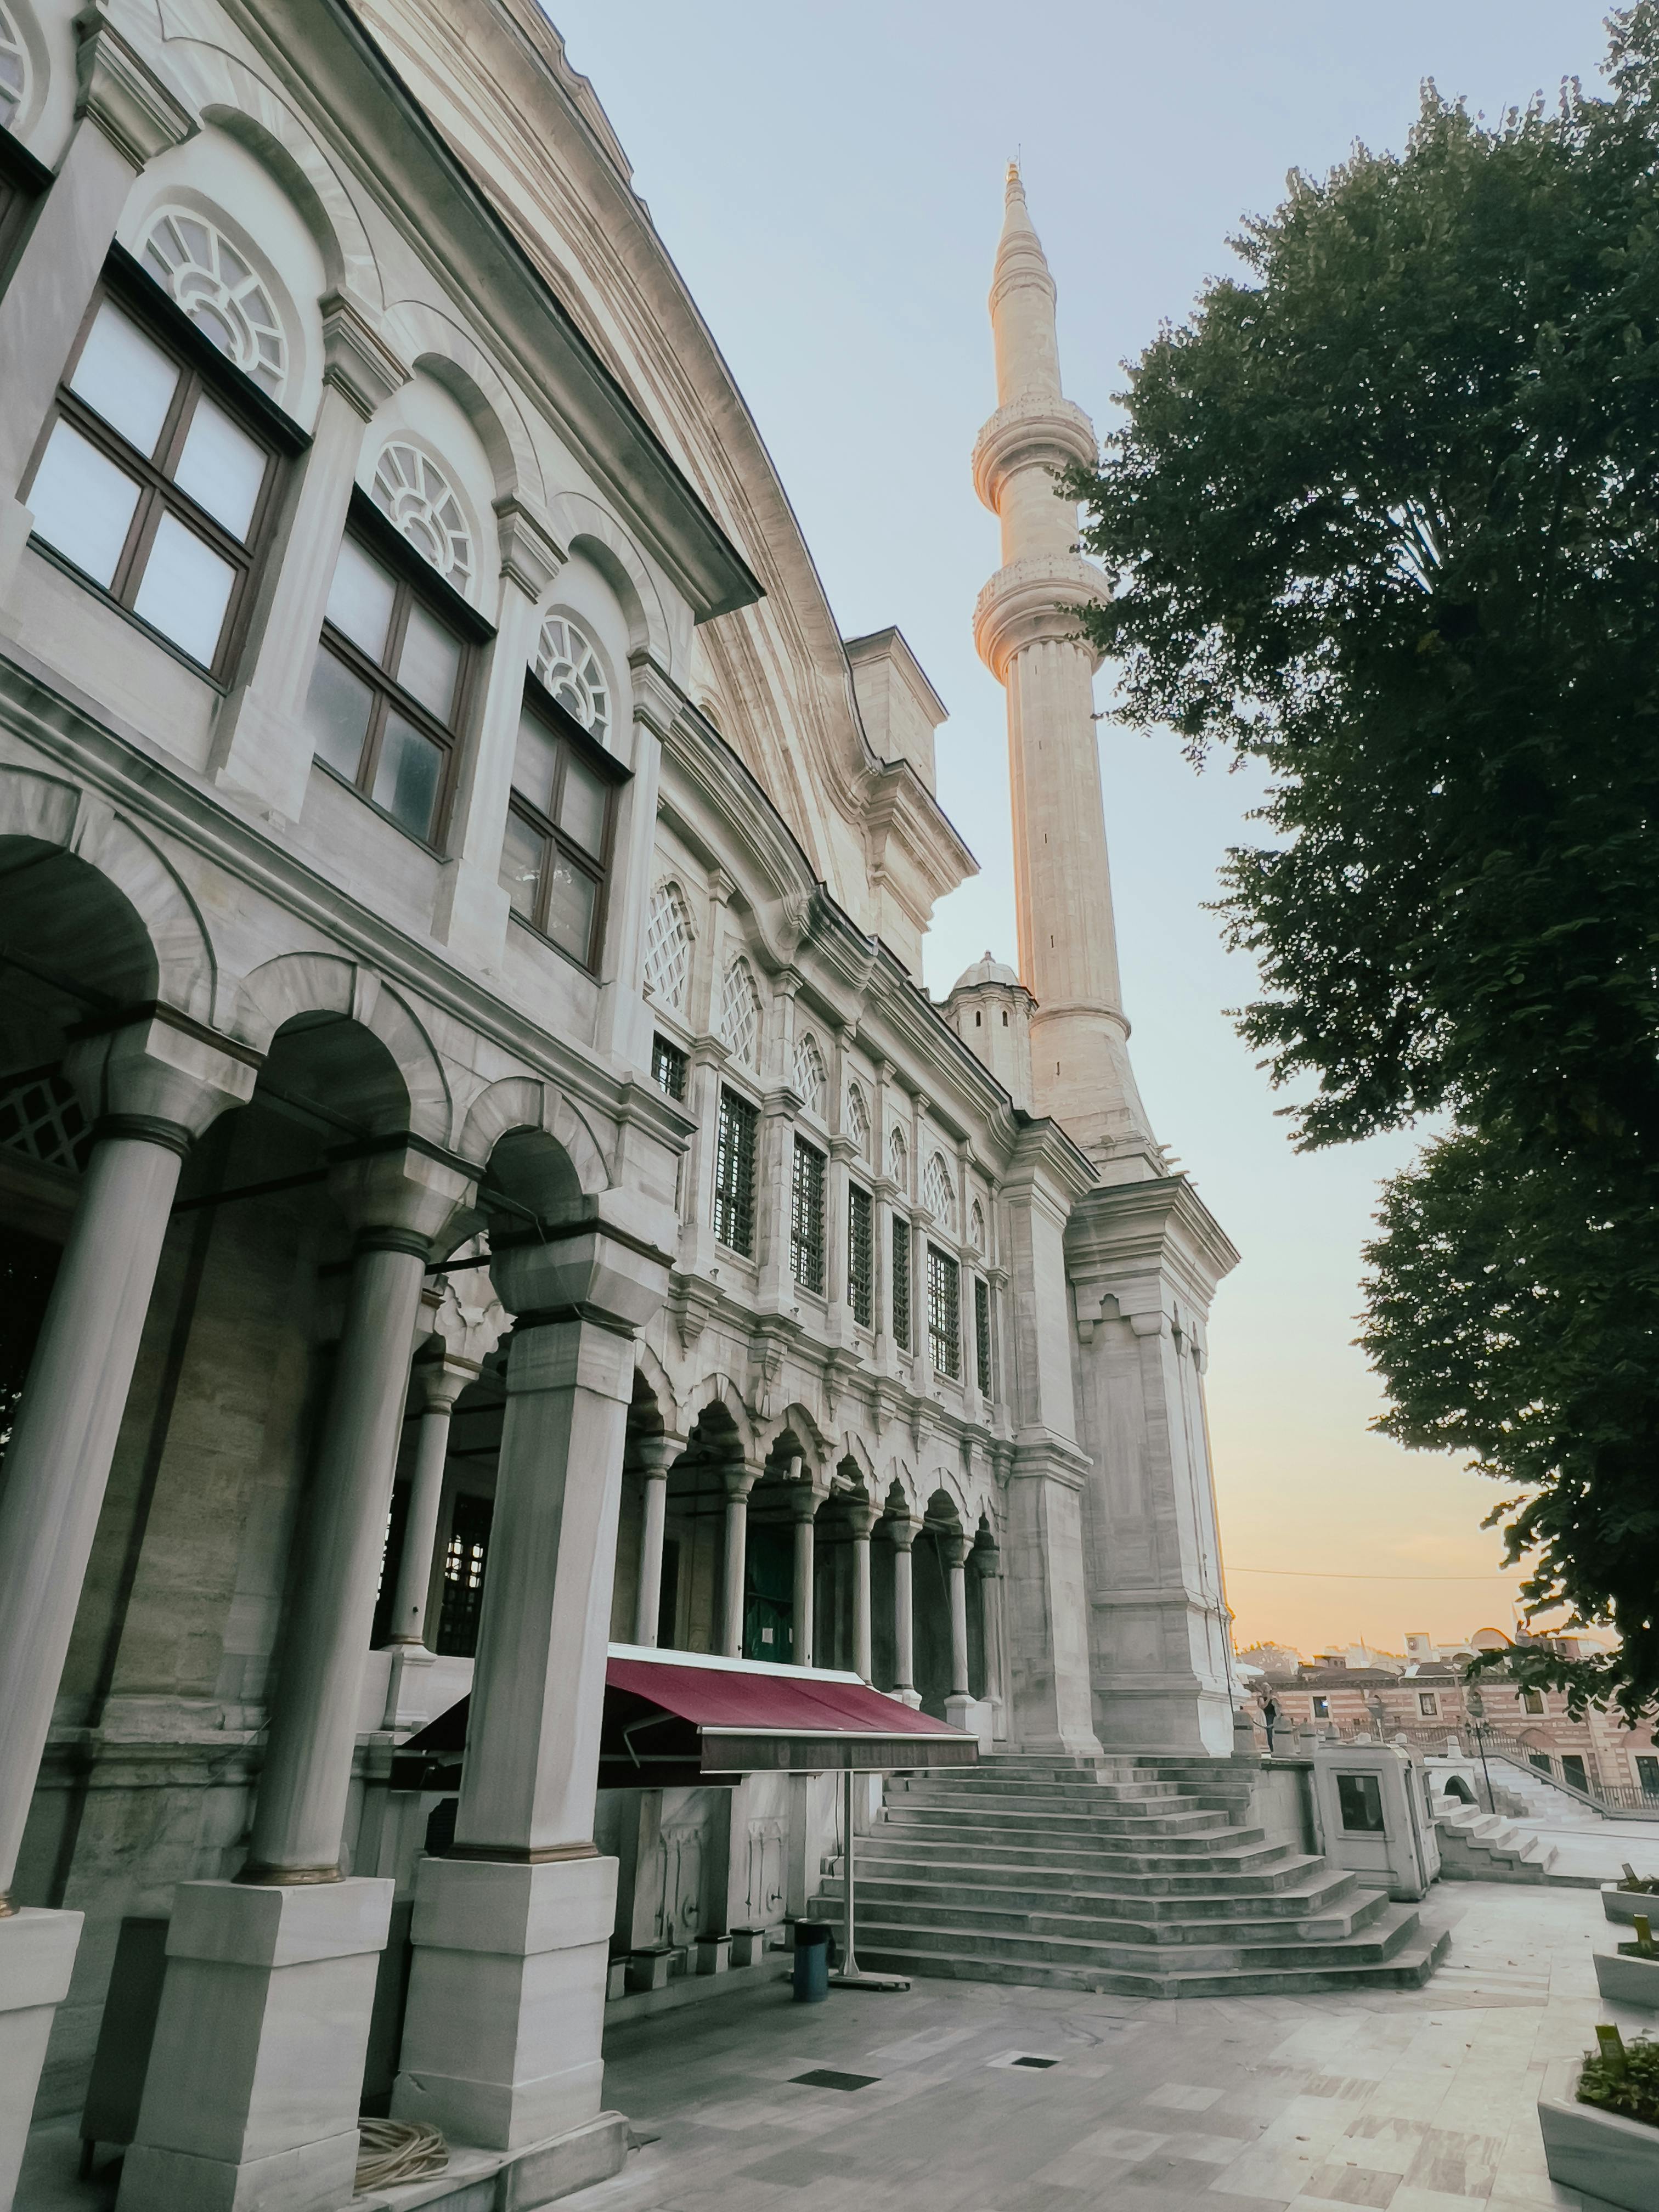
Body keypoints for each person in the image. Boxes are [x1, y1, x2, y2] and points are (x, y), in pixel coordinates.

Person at [1259, 1690, 1280, 1754]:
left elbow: (1278, 1709)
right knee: (1270, 1733)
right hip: (1269, 1717)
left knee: (1272, 1733)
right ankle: (1272, 1748)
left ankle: (1274, 1748)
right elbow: (1263, 1707)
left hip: (1273, 1717)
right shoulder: (1265, 1700)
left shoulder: (1275, 1701)